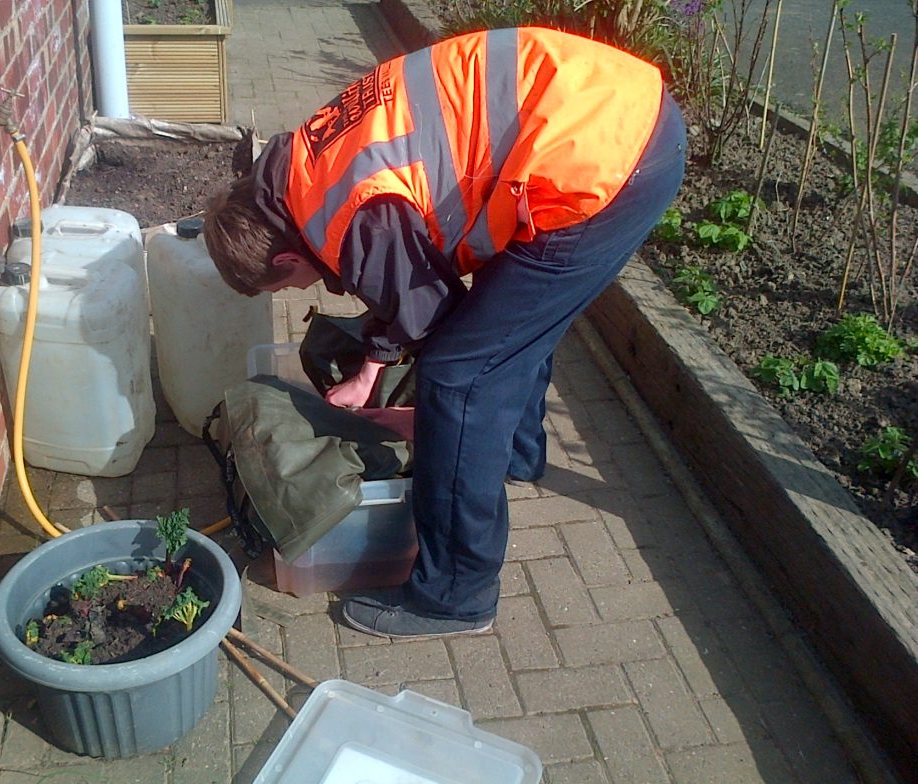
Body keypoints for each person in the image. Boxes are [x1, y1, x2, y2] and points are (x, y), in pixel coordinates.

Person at [203, 26, 686, 639]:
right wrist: (369, 369)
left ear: (282, 261)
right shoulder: (301, 168)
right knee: (504, 320)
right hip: (614, 107)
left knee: (460, 380)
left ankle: (457, 593)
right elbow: (400, 266)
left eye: (285, 288)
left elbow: (429, 316)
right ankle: (515, 455)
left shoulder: (351, 218)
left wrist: (428, 423)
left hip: (604, 163)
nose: (299, 293)